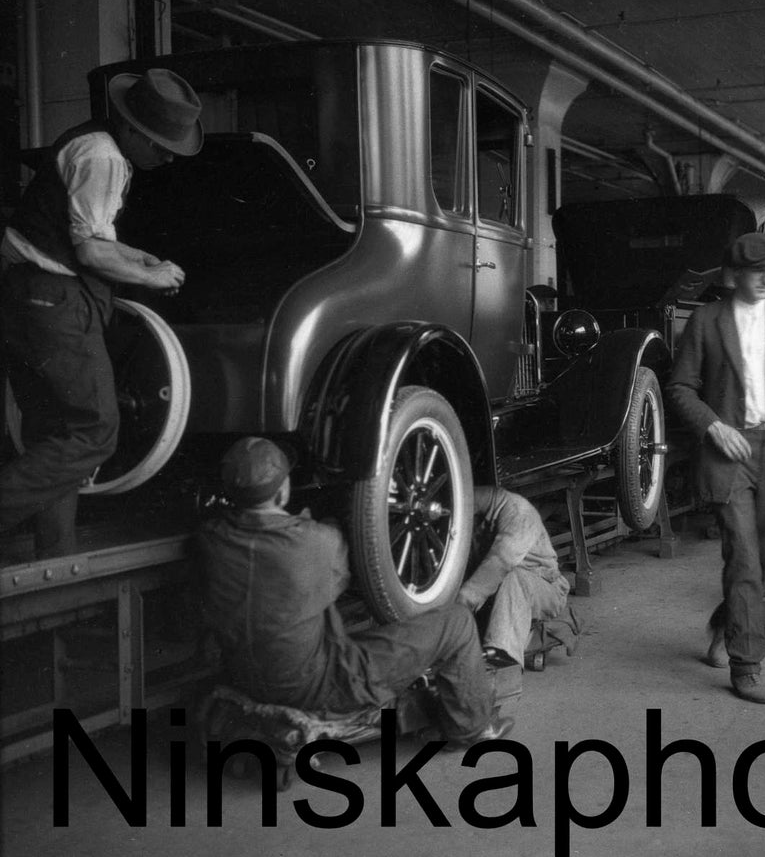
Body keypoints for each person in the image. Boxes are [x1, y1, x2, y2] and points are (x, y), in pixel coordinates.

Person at [197, 437, 512, 748]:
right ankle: (473, 729)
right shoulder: (314, 541)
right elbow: (345, 576)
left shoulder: (211, 540)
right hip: (318, 687)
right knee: (456, 622)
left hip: (245, 678)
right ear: (282, 491)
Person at [0, 69, 199, 560]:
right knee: (94, 431)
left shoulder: (94, 144)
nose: (168, 155)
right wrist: (152, 278)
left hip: (25, 297)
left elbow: (93, 235)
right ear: (132, 128)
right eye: (160, 144)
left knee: (55, 435)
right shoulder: (104, 158)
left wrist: (144, 260)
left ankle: (59, 562)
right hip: (53, 302)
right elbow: (89, 253)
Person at [667, 232, 765, 704]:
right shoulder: (706, 322)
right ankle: (746, 665)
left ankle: (726, 621)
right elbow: (680, 389)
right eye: (757, 272)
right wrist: (714, 427)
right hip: (727, 455)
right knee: (744, 559)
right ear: (734, 274)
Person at [457, 486, 571, 668]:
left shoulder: (520, 513)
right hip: (501, 589)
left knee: (514, 578)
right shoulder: (484, 513)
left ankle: (501, 657)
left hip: (545, 586)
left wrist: (462, 600)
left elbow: (500, 561)